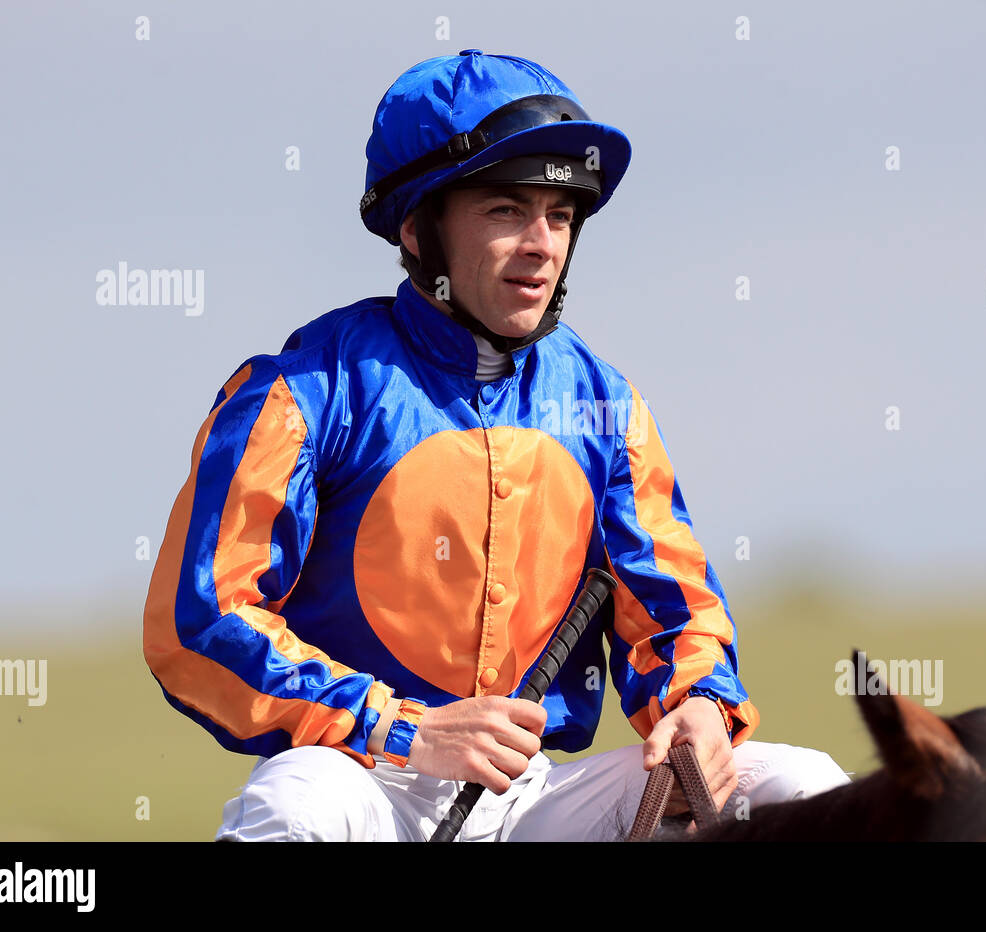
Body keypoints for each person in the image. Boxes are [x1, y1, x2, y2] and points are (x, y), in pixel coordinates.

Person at [143, 49, 850, 841]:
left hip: (534, 797)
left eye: (559, 215)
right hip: (363, 777)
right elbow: (200, 620)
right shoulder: (302, 390)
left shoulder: (603, 404)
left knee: (802, 788)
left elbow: (673, 611)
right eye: (506, 212)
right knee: (289, 805)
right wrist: (402, 727)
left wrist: (698, 709)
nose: (543, 244)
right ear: (418, 229)